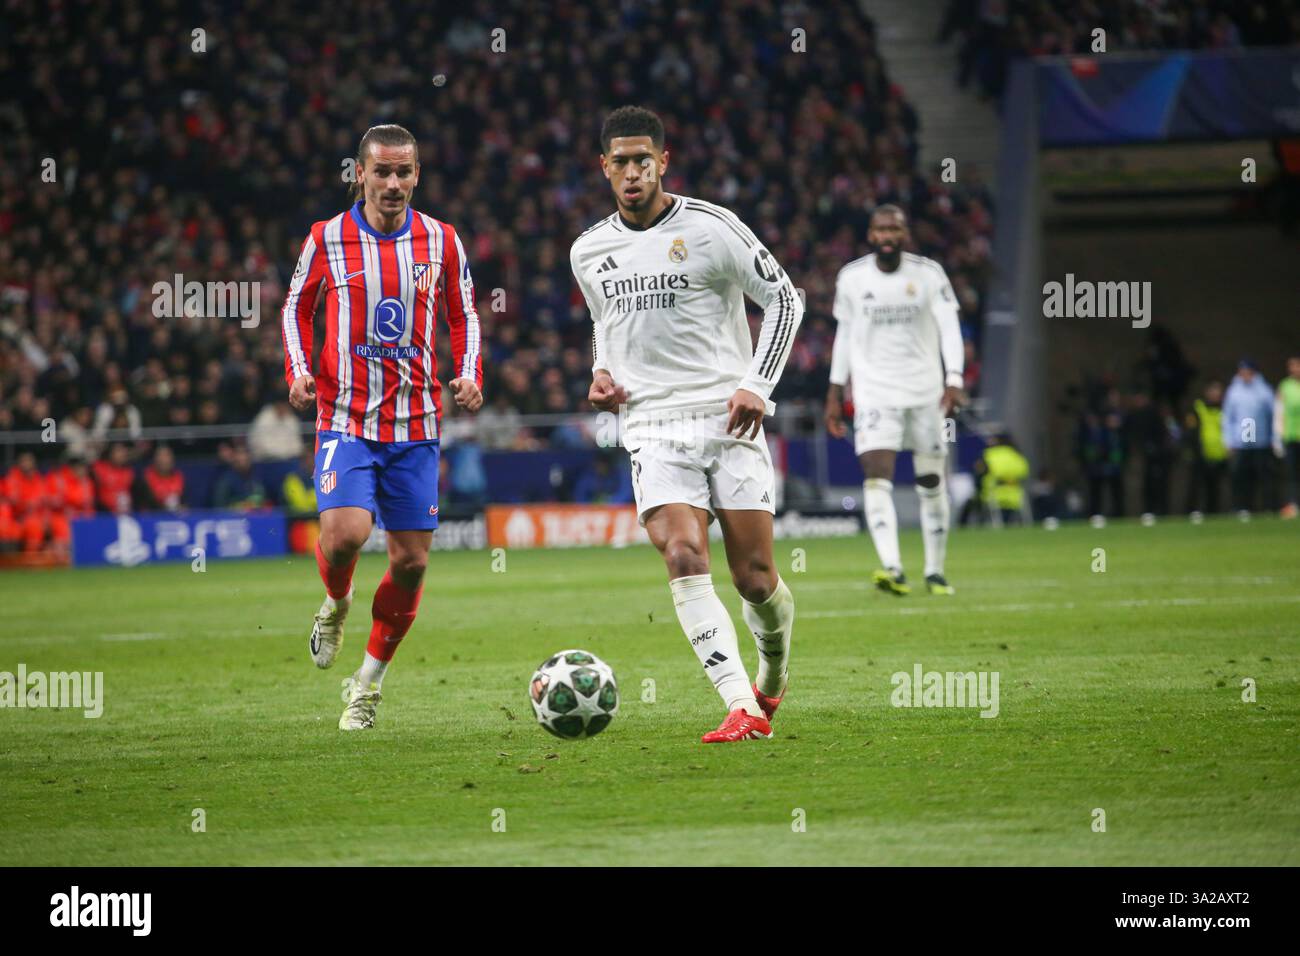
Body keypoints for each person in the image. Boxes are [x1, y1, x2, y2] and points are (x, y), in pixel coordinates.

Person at [570, 106, 801, 744]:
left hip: (730, 420)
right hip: (652, 424)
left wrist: (757, 383)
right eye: (620, 161)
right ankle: (740, 707)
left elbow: (786, 296)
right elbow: (605, 327)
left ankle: (772, 676)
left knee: (754, 578)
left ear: (663, 161)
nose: (633, 171)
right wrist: (600, 372)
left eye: (644, 159)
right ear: (604, 167)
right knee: (681, 554)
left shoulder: (712, 227)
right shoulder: (588, 250)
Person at [281, 124, 483, 731]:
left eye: (404, 173)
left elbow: (463, 312)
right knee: (344, 536)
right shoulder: (327, 238)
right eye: (381, 172)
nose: (393, 184)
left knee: (412, 563)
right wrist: (298, 371)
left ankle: (366, 685)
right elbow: (297, 308)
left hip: (417, 424)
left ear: (416, 175)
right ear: (360, 174)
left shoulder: (442, 241)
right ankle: (338, 601)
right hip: (345, 418)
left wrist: (469, 372)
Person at [824, 204, 965, 596]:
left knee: (931, 480)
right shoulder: (852, 278)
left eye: (895, 230)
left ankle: (935, 571)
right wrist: (835, 392)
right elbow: (844, 337)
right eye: (881, 230)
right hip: (874, 393)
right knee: (875, 473)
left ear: (905, 234)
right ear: (871, 235)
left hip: (925, 392)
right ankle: (893, 567)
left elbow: (949, 327)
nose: (887, 237)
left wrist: (954, 378)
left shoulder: (928, 274)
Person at [1222, 359, 1274, 516]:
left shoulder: (1264, 390)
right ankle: (1242, 507)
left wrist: (1273, 438)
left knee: (1263, 475)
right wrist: (1228, 440)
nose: (1244, 374)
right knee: (1241, 476)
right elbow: (1228, 417)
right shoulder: (1234, 391)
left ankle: (1268, 507)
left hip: (1261, 440)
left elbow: (1272, 414)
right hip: (1241, 441)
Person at [1184, 380, 1228, 515]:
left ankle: (1214, 513)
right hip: (1200, 454)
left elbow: (1242, 425)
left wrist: (1247, 441)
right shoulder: (1198, 407)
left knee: (1214, 488)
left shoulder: (1227, 408)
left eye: (1218, 391)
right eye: (1213, 390)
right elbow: (1190, 431)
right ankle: (1191, 512)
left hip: (1220, 454)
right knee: (1195, 486)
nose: (1216, 394)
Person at [1273, 355, 1300, 518]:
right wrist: (1277, 436)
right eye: (1292, 366)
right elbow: (1279, 411)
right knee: (1292, 473)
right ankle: (1293, 504)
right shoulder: (1285, 386)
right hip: (1291, 436)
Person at [212, 442, 267, 510]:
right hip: (233, 519)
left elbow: (264, 500)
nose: (243, 459)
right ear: (234, 459)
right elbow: (219, 507)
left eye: (246, 457)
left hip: (257, 517)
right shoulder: (226, 481)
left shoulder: (257, 478)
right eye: (240, 457)